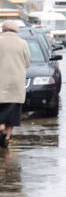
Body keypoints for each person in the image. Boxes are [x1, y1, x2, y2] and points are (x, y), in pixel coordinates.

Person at [0, 19, 31, 148]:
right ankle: (7, 138)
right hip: (16, 84)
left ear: (4, 29)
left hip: (1, 82)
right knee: (13, 113)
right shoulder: (23, 43)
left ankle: (1, 128)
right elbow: (27, 63)